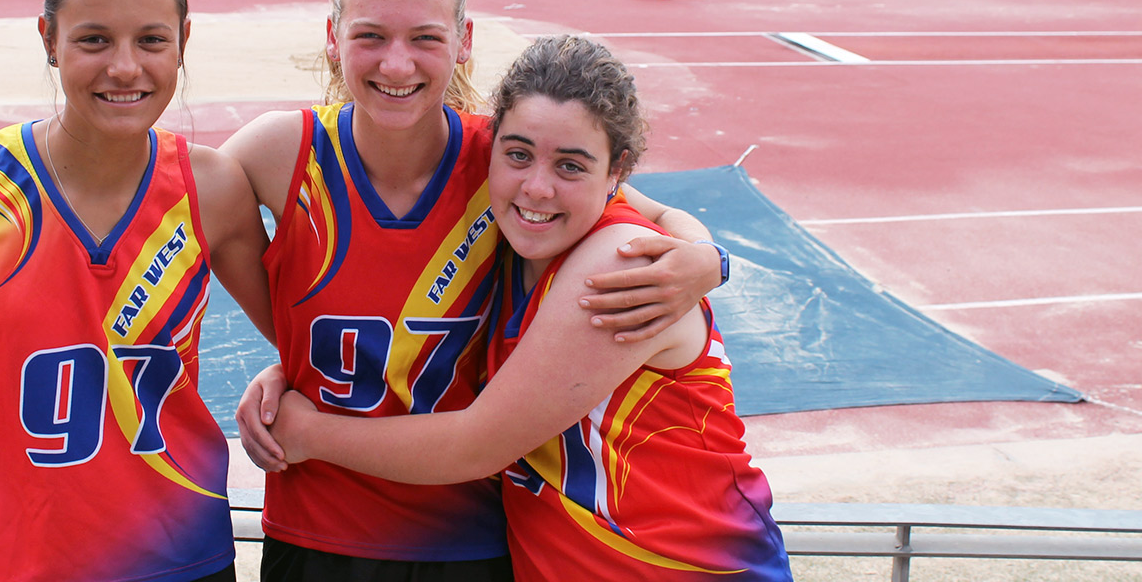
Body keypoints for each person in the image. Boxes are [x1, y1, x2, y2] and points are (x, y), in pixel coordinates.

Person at [0, 0, 725, 582]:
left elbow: (628, 203)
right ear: (333, 38)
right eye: (370, 36)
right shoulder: (271, 157)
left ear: (463, 42)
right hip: (310, 538)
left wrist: (704, 256)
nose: (396, 63)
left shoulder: (504, 163)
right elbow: (159, 196)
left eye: (424, 38)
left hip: (466, 540)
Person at [261, 35, 792, 580]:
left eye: (570, 167)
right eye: (518, 155)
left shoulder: (618, 265)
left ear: (617, 172)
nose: (537, 188)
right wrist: (296, 363)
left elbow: (476, 446)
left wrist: (307, 433)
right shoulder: (515, 250)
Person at [0, 0, 273, 582]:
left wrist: (282, 375)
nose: (125, 67)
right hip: (21, 565)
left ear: (183, 42)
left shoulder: (214, 189)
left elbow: (306, 337)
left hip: (185, 560)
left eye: (152, 40)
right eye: (94, 39)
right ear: (48, 40)